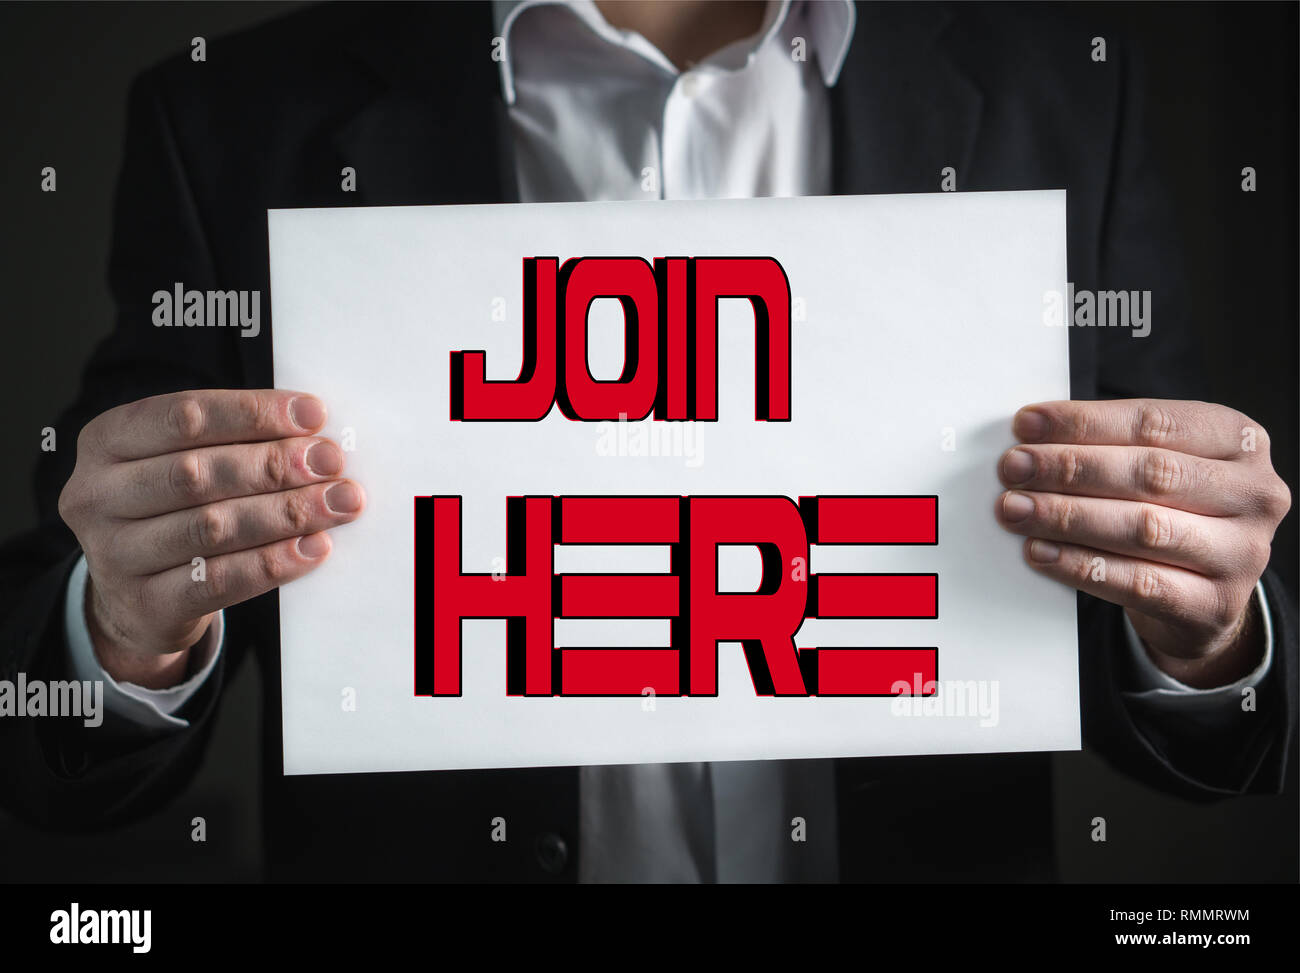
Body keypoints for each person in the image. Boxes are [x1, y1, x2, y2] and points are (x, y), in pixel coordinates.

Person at [0, 0, 1292, 882]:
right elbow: (61, 709)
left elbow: (1176, 605)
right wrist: (119, 628)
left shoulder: (1061, 90)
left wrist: (1201, 629)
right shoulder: (232, 115)